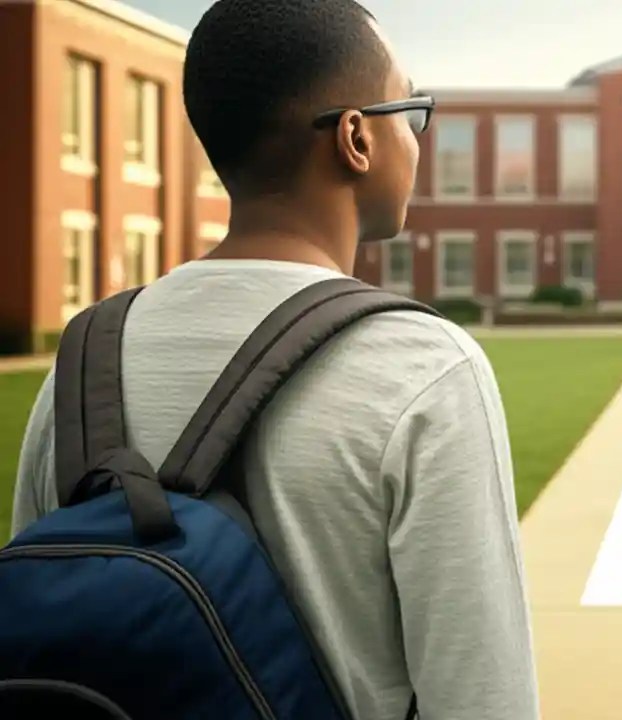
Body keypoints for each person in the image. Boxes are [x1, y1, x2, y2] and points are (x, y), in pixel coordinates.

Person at [8, 1, 540, 718]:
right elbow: (482, 700)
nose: (417, 141)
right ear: (356, 138)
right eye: (410, 112)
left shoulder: (82, 363)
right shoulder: (426, 369)